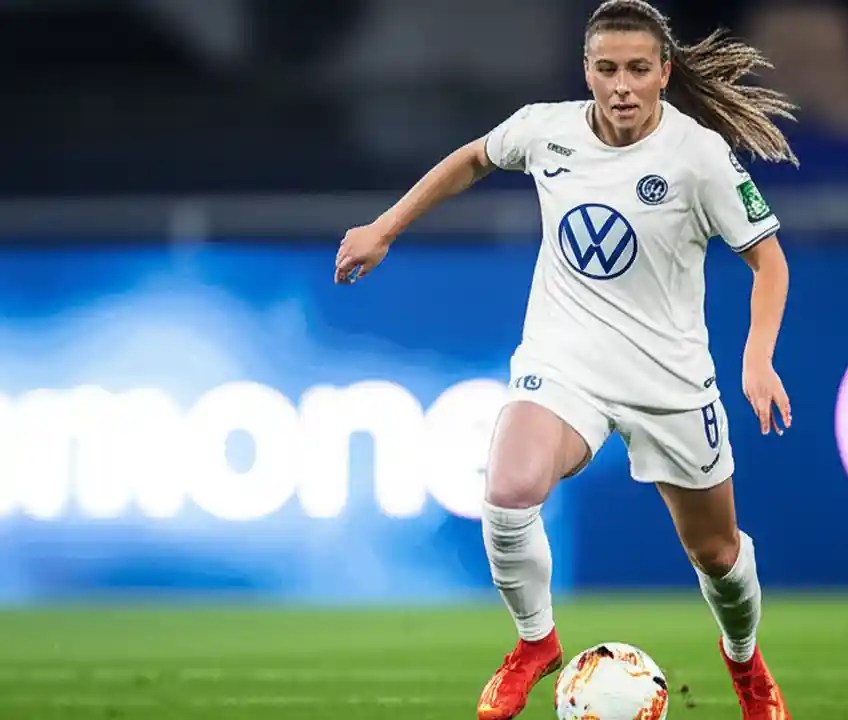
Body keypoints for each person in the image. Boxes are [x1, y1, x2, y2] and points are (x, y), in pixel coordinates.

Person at [334, 1, 797, 717]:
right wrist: (384, 227)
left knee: (716, 553)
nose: (621, 85)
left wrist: (757, 358)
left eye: (638, 69)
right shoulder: (544, 130)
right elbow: (471, 159)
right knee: (509, 488)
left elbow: (769, 263)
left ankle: (745, 663)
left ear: (664, 73)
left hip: (669, 379)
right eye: (607, 68)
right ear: (586, 70)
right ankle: (534, 643)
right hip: (566, 360)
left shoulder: (698, 156)